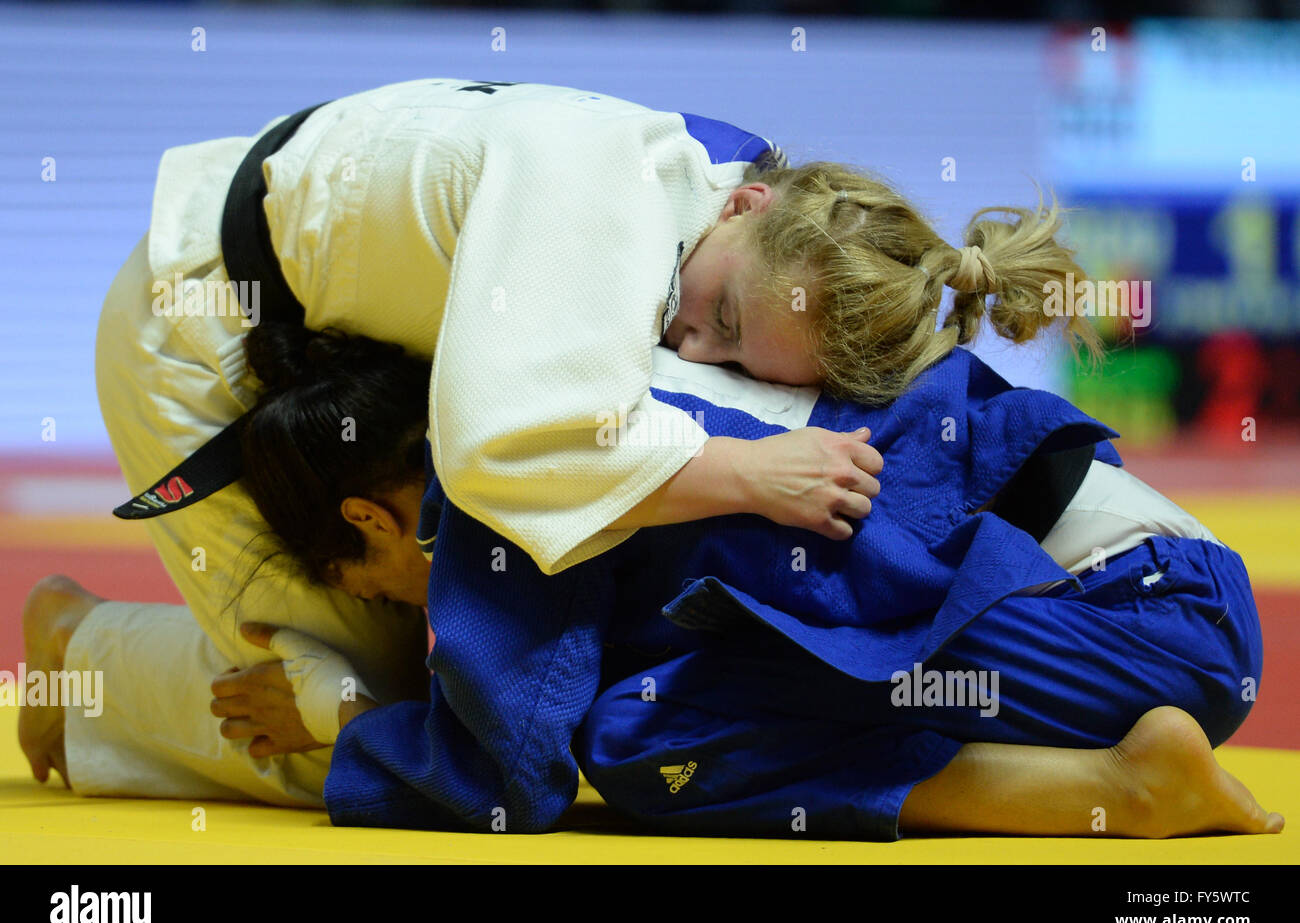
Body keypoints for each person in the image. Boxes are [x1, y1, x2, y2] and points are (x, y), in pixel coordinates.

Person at [21, 79, 887, 803]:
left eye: (742, 356)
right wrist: (745, 470)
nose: (700, 349)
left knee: (444, 673)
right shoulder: (600, 216)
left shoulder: (753, 213)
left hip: (324, 302)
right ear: (744, 206)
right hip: (195, 325)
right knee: (377, 719)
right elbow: (494, 455)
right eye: (722, 322)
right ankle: (85, 643)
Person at [198, 324, 1279, 840]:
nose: (406, 609)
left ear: (370, 515)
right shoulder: (572, 366)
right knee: (700, 672)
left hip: (1138, 628)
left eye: (378, 584)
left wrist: (342, 717)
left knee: (634, 736)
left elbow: (517, 768)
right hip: (1160, 598)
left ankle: (1117, 789)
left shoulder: (485, 483)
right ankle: (1121, 768)